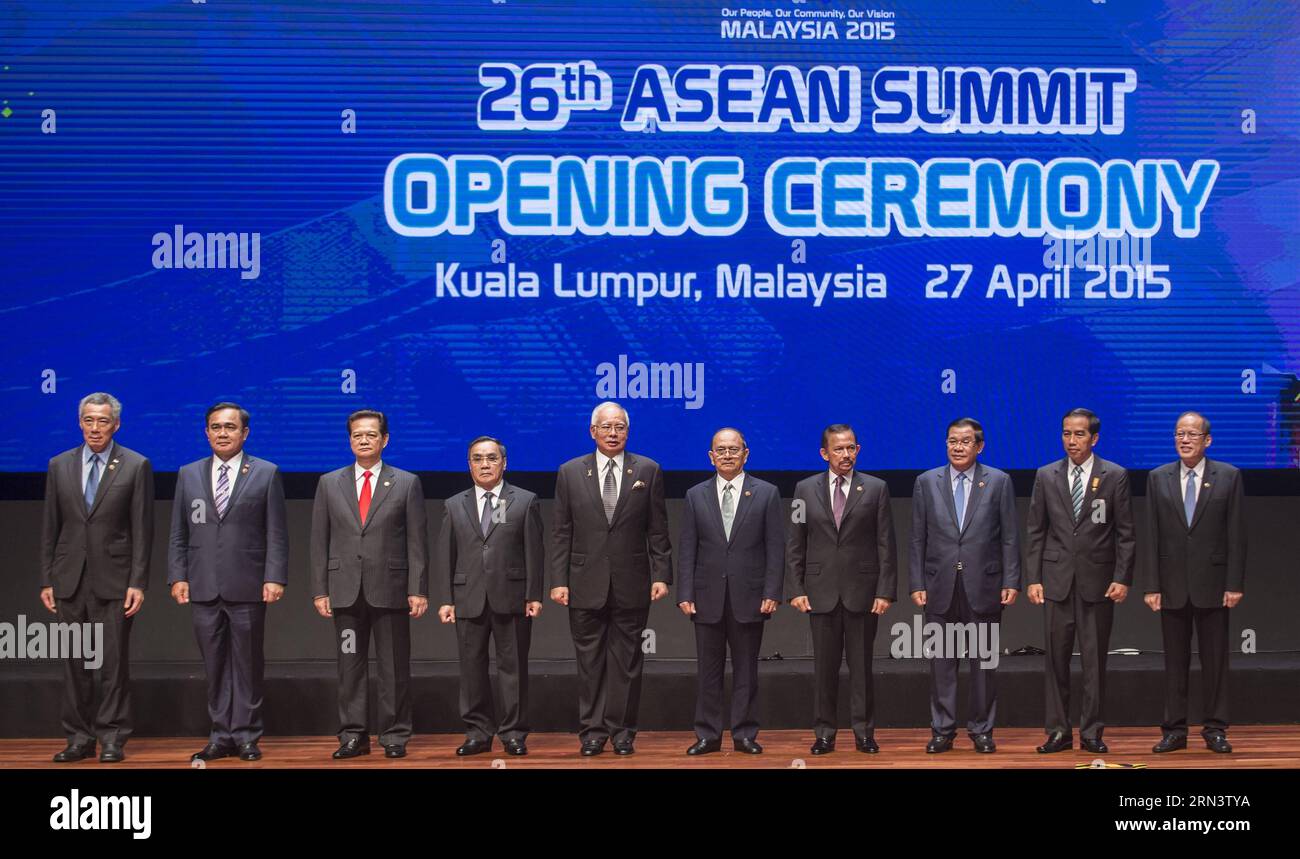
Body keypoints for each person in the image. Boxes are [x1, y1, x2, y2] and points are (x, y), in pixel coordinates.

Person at [549, 402, 672, 756]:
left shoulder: (648, 470)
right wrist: (559, 579)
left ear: (627, 432)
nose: (613, 432)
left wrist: (662, 573)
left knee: (628, 663)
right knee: (589, 663)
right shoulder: (570, 472)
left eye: (619, 427)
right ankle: (592, 732)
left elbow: (658, 529)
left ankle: (622, 732)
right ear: (593, 432)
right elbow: (561, 532)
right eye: (606, 427)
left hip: (632, 581)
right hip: (583, 581)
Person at [168, 402, 288, 762]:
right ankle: (221, 736)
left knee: (248, 664)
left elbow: (277, 533)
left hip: (249, 584)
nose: (222, 433)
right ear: (206, 432)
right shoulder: (188, 474)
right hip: (203, 585)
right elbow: (178, 532)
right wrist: (178, 576)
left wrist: (274, 576)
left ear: (244, 433)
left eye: (230, 427)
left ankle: (248, 735)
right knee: (215, 666)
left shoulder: (266, 473)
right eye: (216, 427)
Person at [40, 392, 154, 763]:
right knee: (74, 663)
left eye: (102, 421)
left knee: (112, 663)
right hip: (69, 579)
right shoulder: (59, 465)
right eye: (88, 420)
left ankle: (111, 738)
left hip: (115, 580)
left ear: (116, 424)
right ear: (79, 422)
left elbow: (142, 529)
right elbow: (50, 528)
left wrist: (138, 581)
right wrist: (47, 579)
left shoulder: (135, 465)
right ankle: (78, 738)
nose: (95, 428)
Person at [311, 410, 429, 759]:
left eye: (371, 435)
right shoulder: (329, 483)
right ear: (350, 440)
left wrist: (418, 588)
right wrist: (320, 589)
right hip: (345, 592)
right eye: (357, 435)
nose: (363, 440)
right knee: (350, 666)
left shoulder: (406, 483)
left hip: (391, 590)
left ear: (385, 439)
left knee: (394, 667)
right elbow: (319, 540)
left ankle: (394, 736)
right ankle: (353, 736)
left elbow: (416, 542)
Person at [1025, 408, 1134, 754]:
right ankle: (1058, 731)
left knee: (1094, 662)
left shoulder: (1114, 475)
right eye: (1066, 434)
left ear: (1094, 438)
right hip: (1056, 581)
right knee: (1055, 660)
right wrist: (1033, 578)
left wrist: (1122, 577)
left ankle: (1092, 732)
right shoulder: (1046, 475)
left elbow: (1126, 534)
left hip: (1098, 582)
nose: (1071, 441)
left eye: (1079, 435)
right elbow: (1035, 531)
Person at [909, 417, 1020, 753]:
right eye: (952, 441)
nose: (957, 447)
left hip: (983, 584)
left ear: (979, 446)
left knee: (983, 664)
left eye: (965, 441)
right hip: (939, 585)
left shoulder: (999, 481)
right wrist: (916, 581)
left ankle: (982, 730)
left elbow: (1010, 537)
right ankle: (942, 730)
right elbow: (917, 538)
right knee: (942, 663)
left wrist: (1011, 579)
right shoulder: (926, 482)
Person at [786, 423, 896, 754]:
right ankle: (824, 733)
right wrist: (795, 587)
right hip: (819, 592)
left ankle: (864, 732)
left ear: (858, 450)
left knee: (862, 669)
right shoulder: (802, 490)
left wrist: (884, 591)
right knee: (824, 670)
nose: (846, 454)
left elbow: (886, 544)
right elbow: (795, 542)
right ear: (824, 453)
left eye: (851, 448)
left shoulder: (876, 488)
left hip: (863, 592)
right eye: (839, 449)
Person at [1141, 412, 1245, 754]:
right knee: (1174, 662)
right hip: (1171, 584)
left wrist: (1234, 583)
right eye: (1179, 434)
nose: (1185, 440)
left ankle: (1215, 729)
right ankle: (1174, 730)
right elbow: (1152, 536)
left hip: (1214, 584)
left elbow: (1236, 534)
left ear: (1207, 440)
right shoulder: (1158, 478)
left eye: (1192, 434)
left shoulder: (1228, 477)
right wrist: (1152, 585)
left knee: (1215, 661)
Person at [677, 428, 784, 755]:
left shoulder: (766, 493)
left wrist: (772, 591)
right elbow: (687, 549)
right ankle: (708, 735)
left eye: (733, 450)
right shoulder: (695, 495)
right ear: (710, 456)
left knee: (746, 671)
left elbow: (775, 548)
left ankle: (745, 734)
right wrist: (685, 592)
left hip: (750, 596)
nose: (727, 455)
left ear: (746, 454)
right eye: (720, 450)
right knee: (707, 672)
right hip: (706, 596)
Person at [435, 436, 544, 757]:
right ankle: (477, 733)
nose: (485, 464)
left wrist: (533, 594)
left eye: (491, 458)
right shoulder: (454, 505)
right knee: (471, 670)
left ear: (504, 463)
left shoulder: (524, 500)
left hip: (512, 597)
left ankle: (513, 733)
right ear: (469, 464)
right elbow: (445, 555)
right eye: (478, 459)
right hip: (467, 597)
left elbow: (534, 551)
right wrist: (445, 599)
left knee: (513, 668)